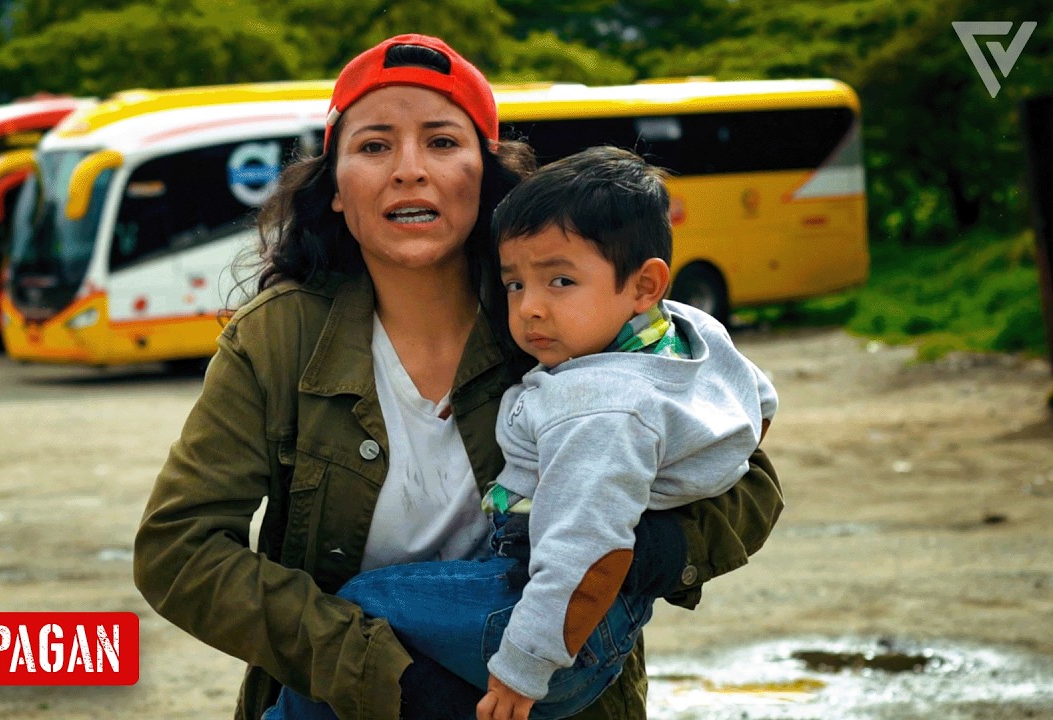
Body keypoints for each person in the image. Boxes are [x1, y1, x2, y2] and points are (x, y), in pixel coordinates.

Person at [134, 33, 785, 720]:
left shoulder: (577, 313)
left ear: (487, 175)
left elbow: (747, 480)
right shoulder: (275, 339)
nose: (409, 170)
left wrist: (640, 552)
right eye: (374, 146)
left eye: (442, 142)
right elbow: (179, 550)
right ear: (336, 190)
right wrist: (389, 680)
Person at [262, 147, 778, 720]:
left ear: (644, 284)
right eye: (513, 284)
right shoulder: (689, 329)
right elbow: (758, 404)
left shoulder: (599, 409)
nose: (530, 308)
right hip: (588, 624)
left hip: (552, 630)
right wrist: (693, 463)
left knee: (358, 609)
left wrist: (521, 674)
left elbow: (585, 555)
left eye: (560, 280)